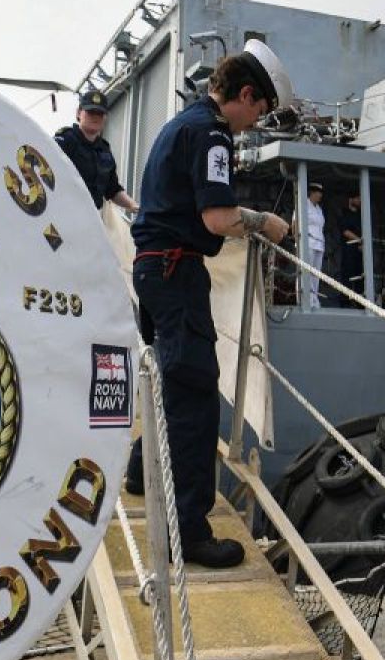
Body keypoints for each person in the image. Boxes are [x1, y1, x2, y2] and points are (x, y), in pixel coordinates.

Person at [124, 39, 292, 568]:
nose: (251, 125)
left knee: (171, 385)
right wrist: (266, 223)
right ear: (244, 94)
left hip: (152, 268)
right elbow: (217, 220)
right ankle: (187, 533)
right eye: (257, 112)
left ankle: (138, 470)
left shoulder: (184, 123)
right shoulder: (212, 133)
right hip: (176, 272)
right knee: (195, 398)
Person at [54, 91, 139, 214]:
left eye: (100, 113)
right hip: (62, 213)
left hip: (91, 219)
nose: (95, 117)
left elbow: (113, 190)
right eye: (90, 112)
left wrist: (132, 205)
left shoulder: (104, 150)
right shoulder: (65, 140)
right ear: (79, 113)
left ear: (105, 117)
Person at [338, 190, 363, 305]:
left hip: (359, 251)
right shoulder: (344, 213)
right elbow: (345, 231)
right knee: (347, 276)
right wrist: (360, 241)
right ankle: (345, 302)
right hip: (348, 250)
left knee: (360, 276)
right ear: (351, 199)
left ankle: (360, 302)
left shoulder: (360, 215)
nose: (360, 201)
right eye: (358, 198)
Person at [304, 182, 326, 308]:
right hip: (308, 242)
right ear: (312, 192)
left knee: (316, 273)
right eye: (318, 193)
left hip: (319, 243)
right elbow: (295, 222)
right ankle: (307, 299)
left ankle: (314, 299)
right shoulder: (304, 204)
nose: (320, 196)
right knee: (306, 271)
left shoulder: (318, 209)